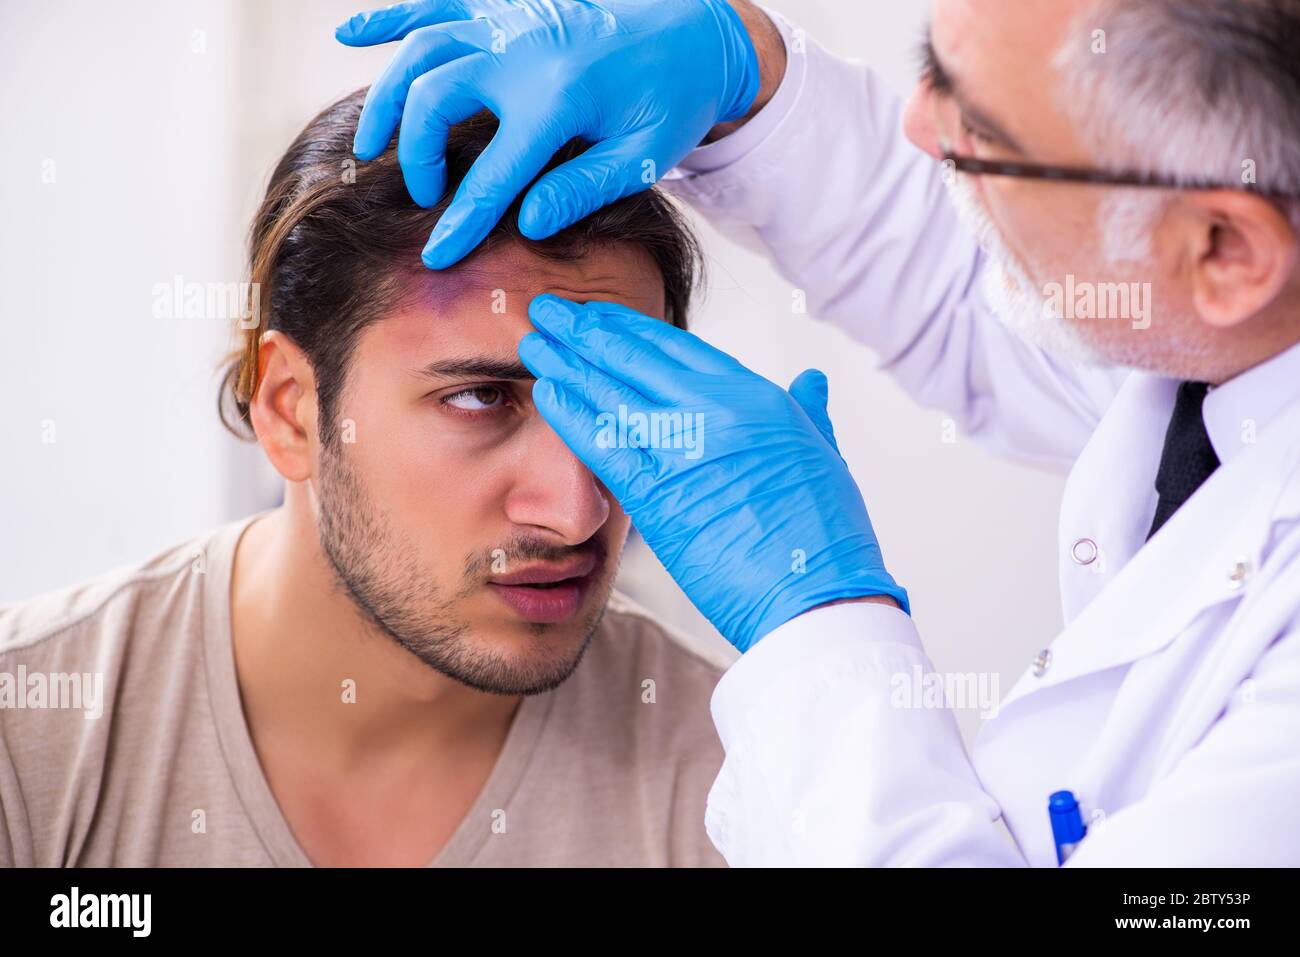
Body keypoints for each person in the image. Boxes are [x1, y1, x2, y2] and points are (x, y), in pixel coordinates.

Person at [338, 0, 1300, 865]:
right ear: (288, 406)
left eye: (987, 135)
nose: (920, 128)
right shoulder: (1207, 320)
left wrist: (817, 619)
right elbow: (974, 279)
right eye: (478, 396)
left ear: (1224, 250)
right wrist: (746, 73)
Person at [0, 90, 732, 867]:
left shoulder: (736, 774)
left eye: (616, 404)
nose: (577, 509)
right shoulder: (30, 742)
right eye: (482, 397)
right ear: (290, 410)